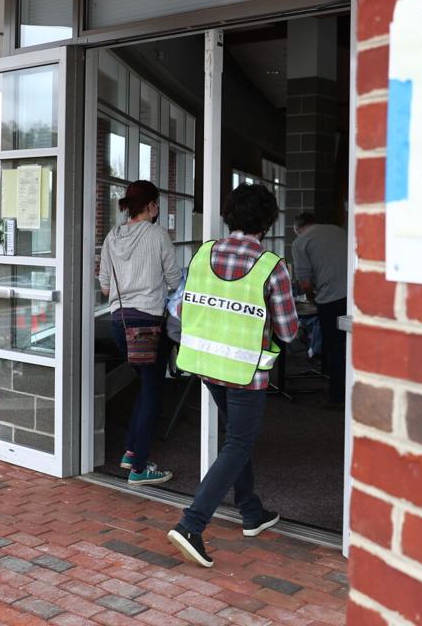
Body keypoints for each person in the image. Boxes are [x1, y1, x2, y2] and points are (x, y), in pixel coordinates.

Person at [167, 183, 298, 568]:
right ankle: (191, 524)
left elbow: (179, 309)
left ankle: (250, 510)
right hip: (244, 372)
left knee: (237, 439)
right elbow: (289, 331)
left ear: (229, 217)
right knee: (239, 442)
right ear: (267, 223)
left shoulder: (203, 254)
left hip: (206, 365)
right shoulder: (271, 266)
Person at [97, 180, 181, 486]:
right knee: (152, 391)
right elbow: (174, 280)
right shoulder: (157, 235)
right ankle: (139, 467)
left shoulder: (112, 236)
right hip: (148, 324)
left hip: (119, 323)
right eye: (157, 203)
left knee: (145, 387)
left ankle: (132, 452)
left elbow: (105, 286)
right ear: (151, 205)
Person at [291, 212, 349, 407]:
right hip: (355, 294)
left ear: (297, 229)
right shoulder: (339, 231)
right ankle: (350, 388)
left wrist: (311, 298)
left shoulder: (300, 242)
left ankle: (336, 397)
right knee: (350, 344)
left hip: (331, 298)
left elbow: (305, 282)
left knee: (334, 347)